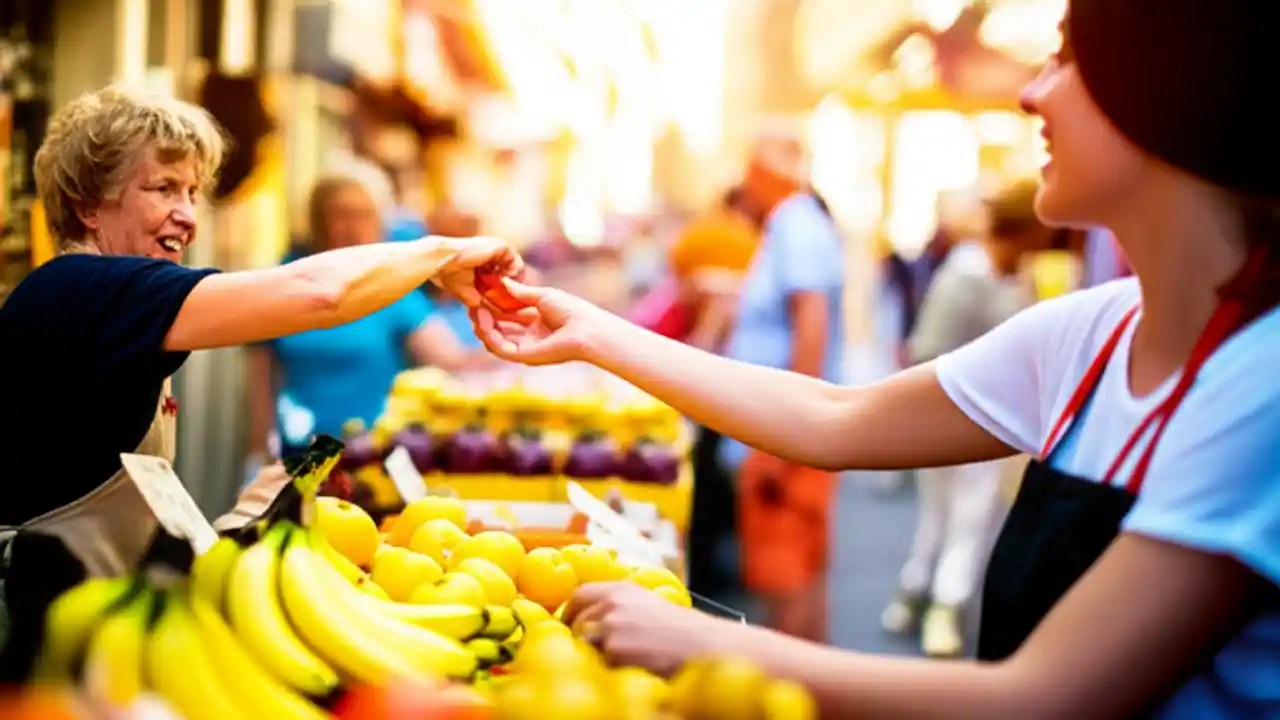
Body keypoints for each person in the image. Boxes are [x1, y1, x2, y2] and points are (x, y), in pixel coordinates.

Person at [468, 2, 1280, 715]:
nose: (1031, 94)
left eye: (1067, 59)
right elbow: (835, 417)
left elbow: (1044, 696)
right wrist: (588, 330)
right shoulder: (1090, 335)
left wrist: (711, 644)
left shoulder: (1264, 385)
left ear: (1166, 89)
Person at [0, 85, 521, 678]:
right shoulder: (81, 291)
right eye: (163, 189)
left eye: (193, 193)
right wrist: (444, 253)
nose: (189, 217)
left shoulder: (105, 299)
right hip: (37, 646)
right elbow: (317, 294)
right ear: (89, 205)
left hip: (100, 627)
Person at [880, 177, 1052, 657]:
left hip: (988, 418)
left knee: (960, 516)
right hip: (954, 411)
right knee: (957, 517)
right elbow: (927, 348)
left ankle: (919, 594)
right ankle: (940, 606)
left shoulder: (1013, 274)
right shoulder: (969, 274)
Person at [247, 176, 493, 461]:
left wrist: (517, 343)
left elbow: (450, 358)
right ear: (316, 221)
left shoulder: (391, 285)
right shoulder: (286, 280)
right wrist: (258, 452)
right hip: (297, 454)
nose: (352, 226)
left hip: (372, 454)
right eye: (339, 214)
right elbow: (260, 382)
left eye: (363, 214)